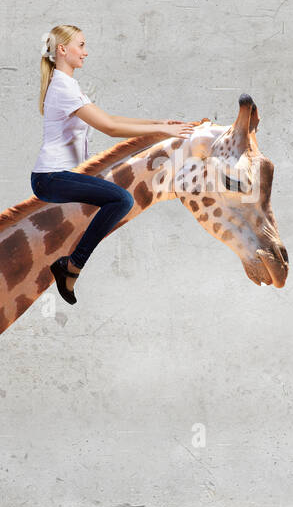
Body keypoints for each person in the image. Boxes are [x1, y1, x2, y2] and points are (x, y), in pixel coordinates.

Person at [31, 24, 194, 305]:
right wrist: (162, 132)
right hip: (50, 178)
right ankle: (71, 266)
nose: (85, 52)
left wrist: (160, 124)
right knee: (121, 199)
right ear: (62, 50)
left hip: (59, 175)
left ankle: (71, 265)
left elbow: (112, 119)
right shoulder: (63, 87)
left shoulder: (68, 84)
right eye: (80, 45)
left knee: (119, 197)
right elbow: (111, 129)